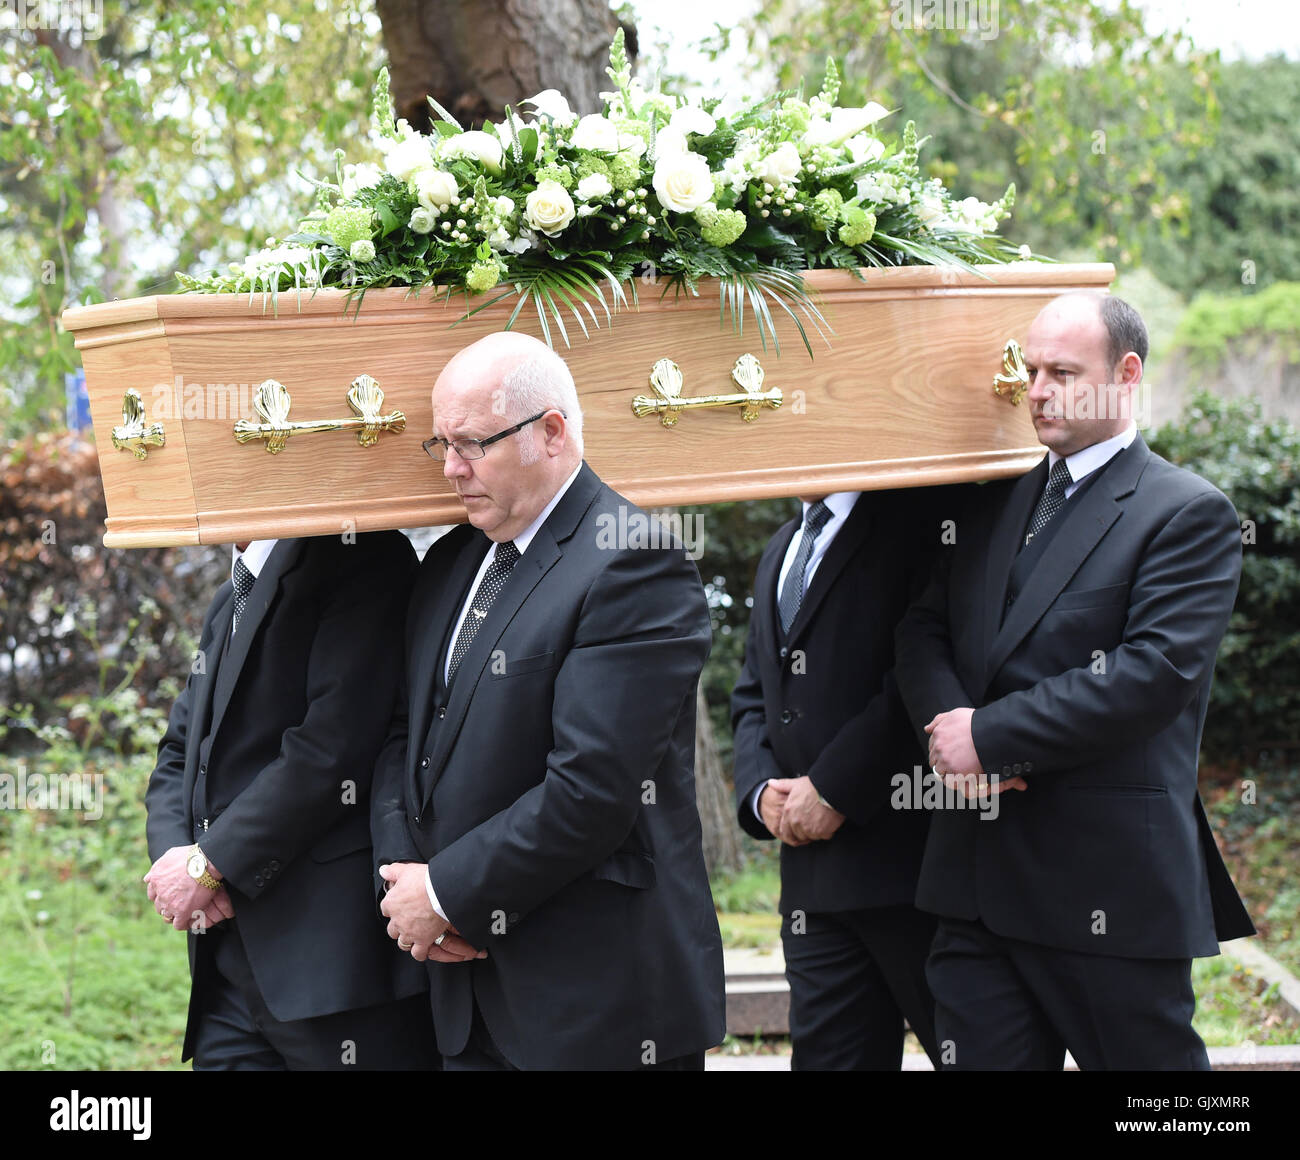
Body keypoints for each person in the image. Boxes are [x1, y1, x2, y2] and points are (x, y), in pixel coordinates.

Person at [894, 291, 1255, 1071]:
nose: (1037, 391)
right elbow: (922, 630)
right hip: (976, 889)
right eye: (1029, 372)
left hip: (1109, 891)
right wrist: (947, 725)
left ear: (1126, 375)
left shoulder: (1187, 513)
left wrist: (988, 739)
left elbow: (1150, 675)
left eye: (1062, 371)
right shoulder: (990, 505)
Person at [370, 330, 725, 1071]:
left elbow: (591, 790)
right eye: (441, 445)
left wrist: (448, 891)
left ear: (553, 432)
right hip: (462, 988)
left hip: (595, 1002)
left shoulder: (632, 560)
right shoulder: (452, 562)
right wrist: (409, 886)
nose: (452, 469)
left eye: (472, 444)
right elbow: (406, 734)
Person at [144, 531, 438, 1070]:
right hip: (226, 964)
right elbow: (181, 749)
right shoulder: (230, 593)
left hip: (332, 968)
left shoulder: (362, 555)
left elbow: (333, 747)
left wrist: (211, 864)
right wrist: (176, 856)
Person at [731, 487, 952, 1070]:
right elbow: (757, 692)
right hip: (813, 883)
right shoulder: (783, 547)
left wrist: (833, 788)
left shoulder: (920, 520)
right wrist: (761, 795)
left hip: (913, 868)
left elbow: (917, 678)